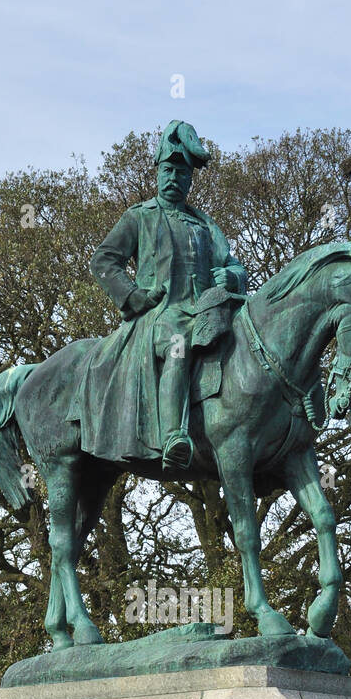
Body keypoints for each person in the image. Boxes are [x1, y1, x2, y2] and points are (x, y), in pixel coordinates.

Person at [86, 120, 248, 471]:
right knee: (179, 343)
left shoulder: (205, 225)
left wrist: (231, 277)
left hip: (206, 313)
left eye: (182, 173)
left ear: (191, 179)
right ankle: (174, 435)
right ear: (157, 173)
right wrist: (131, 296)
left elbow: (234, 265)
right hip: (162, 316)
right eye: (168, 170)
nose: (174, 178)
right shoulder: (139, 217)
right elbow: (103, 261)